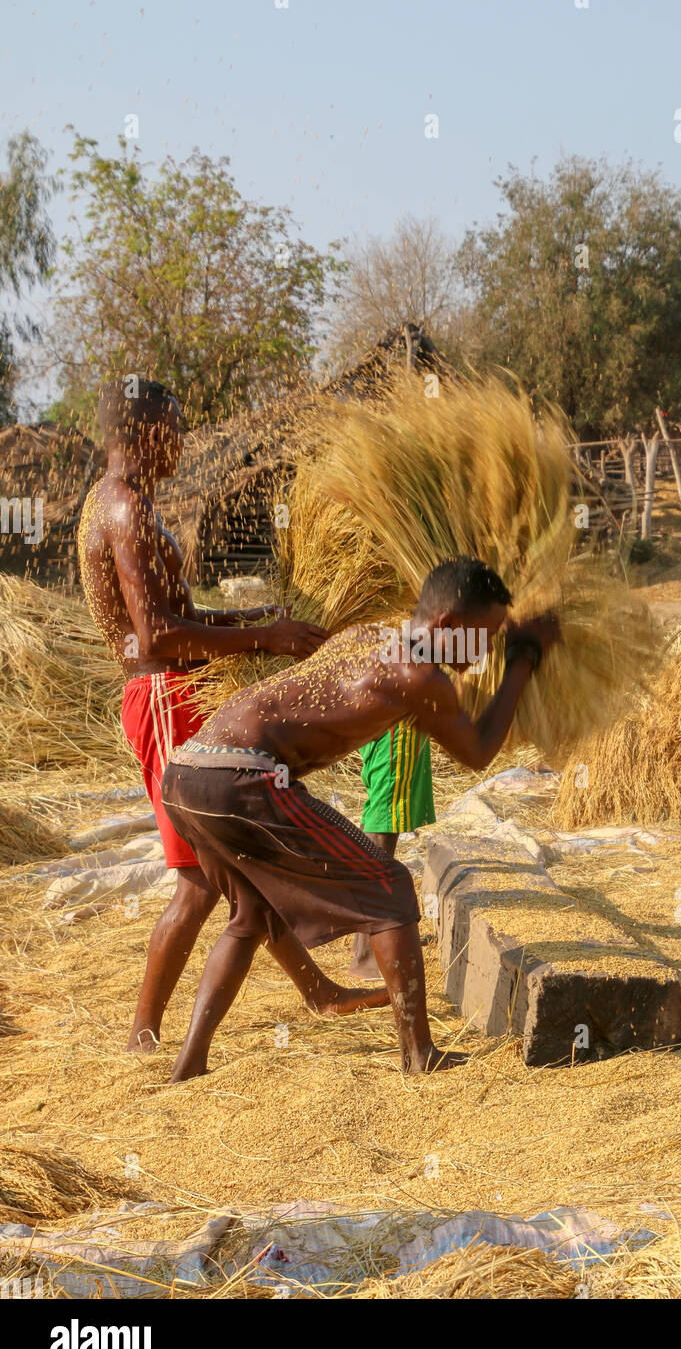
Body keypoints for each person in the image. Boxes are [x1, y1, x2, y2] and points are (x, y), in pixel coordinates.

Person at [160, 556, 559, 1081]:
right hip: (241, 777)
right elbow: (480, 751)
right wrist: (524, 661)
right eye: (480, 638)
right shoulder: (417, 675)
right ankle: (418, 1056)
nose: (484, 653)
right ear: (445, 627)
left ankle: (187, 1067)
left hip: (188, 772)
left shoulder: (370, 636)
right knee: (390, 884)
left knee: (252, 915)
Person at [78, 377, 332, 1054]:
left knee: (234, 858)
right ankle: (143, 1037)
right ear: (138, 432)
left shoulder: (126, 503)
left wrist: (263, 624)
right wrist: (260, 640)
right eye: (172, 426)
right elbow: (158, 637)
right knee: (198, 878)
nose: (182, 441)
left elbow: (185, 618)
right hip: (164, 700)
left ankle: (318, 991)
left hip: (173, 695)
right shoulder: (125, 508)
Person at [349, 720, 436, 980]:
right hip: (399, 721)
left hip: (394, 714)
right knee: (384, 822)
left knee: (381, 814)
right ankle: (367, 954)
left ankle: (363, 937)